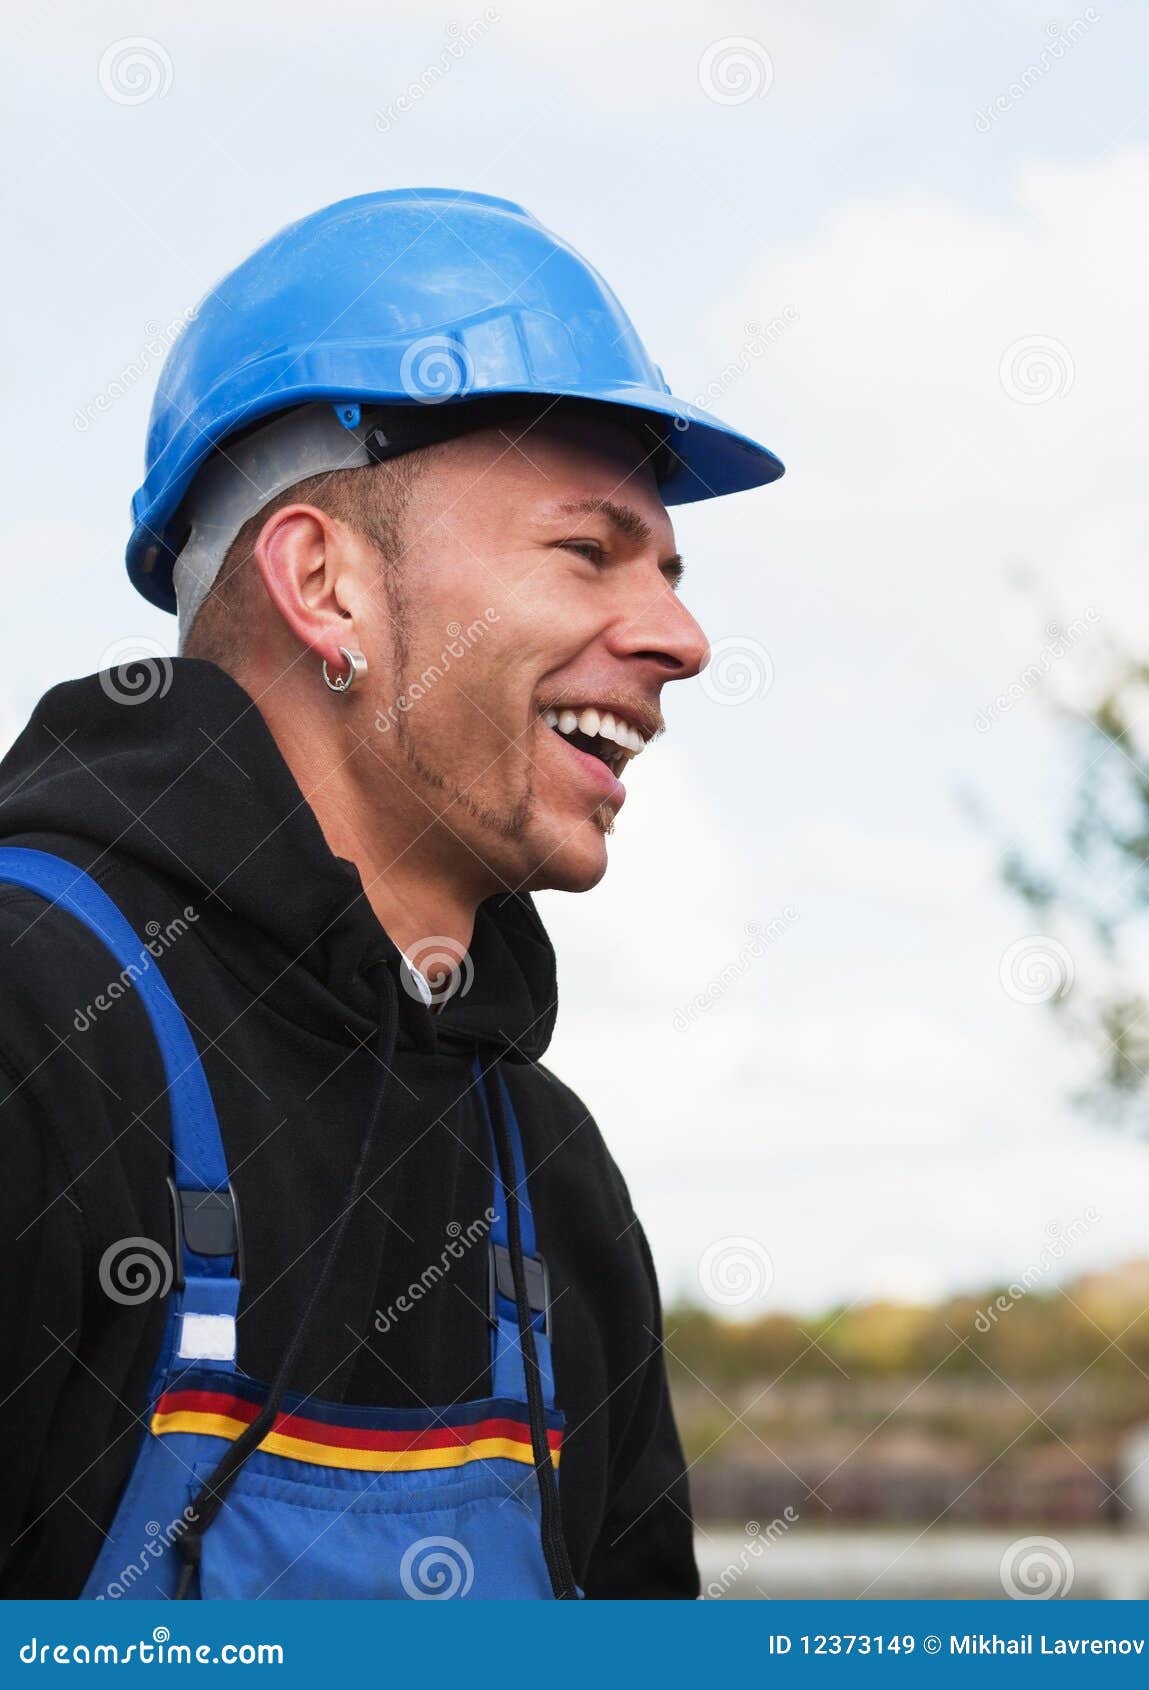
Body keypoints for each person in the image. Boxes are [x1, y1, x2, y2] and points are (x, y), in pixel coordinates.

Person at [0, 189, 783, 1600]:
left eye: (670, 572)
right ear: (326, 582)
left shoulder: (546, 1171)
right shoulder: (31, 1030)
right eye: (588, 550)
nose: (683, 638)